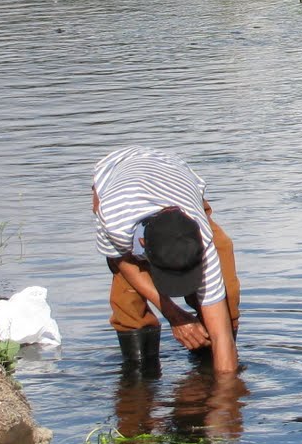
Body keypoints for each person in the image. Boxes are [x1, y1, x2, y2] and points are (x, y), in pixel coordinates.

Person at [91, 147, 240, 377]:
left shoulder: (202, 239)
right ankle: (140, 372)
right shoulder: (114, 221)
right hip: (115, 173)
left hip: (175, 177)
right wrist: (174, 314)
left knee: (225, 288)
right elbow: (122, 262)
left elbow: (222, 335)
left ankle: (205, 365)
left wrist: (224, 403)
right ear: (142, 244)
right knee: (128, 297)